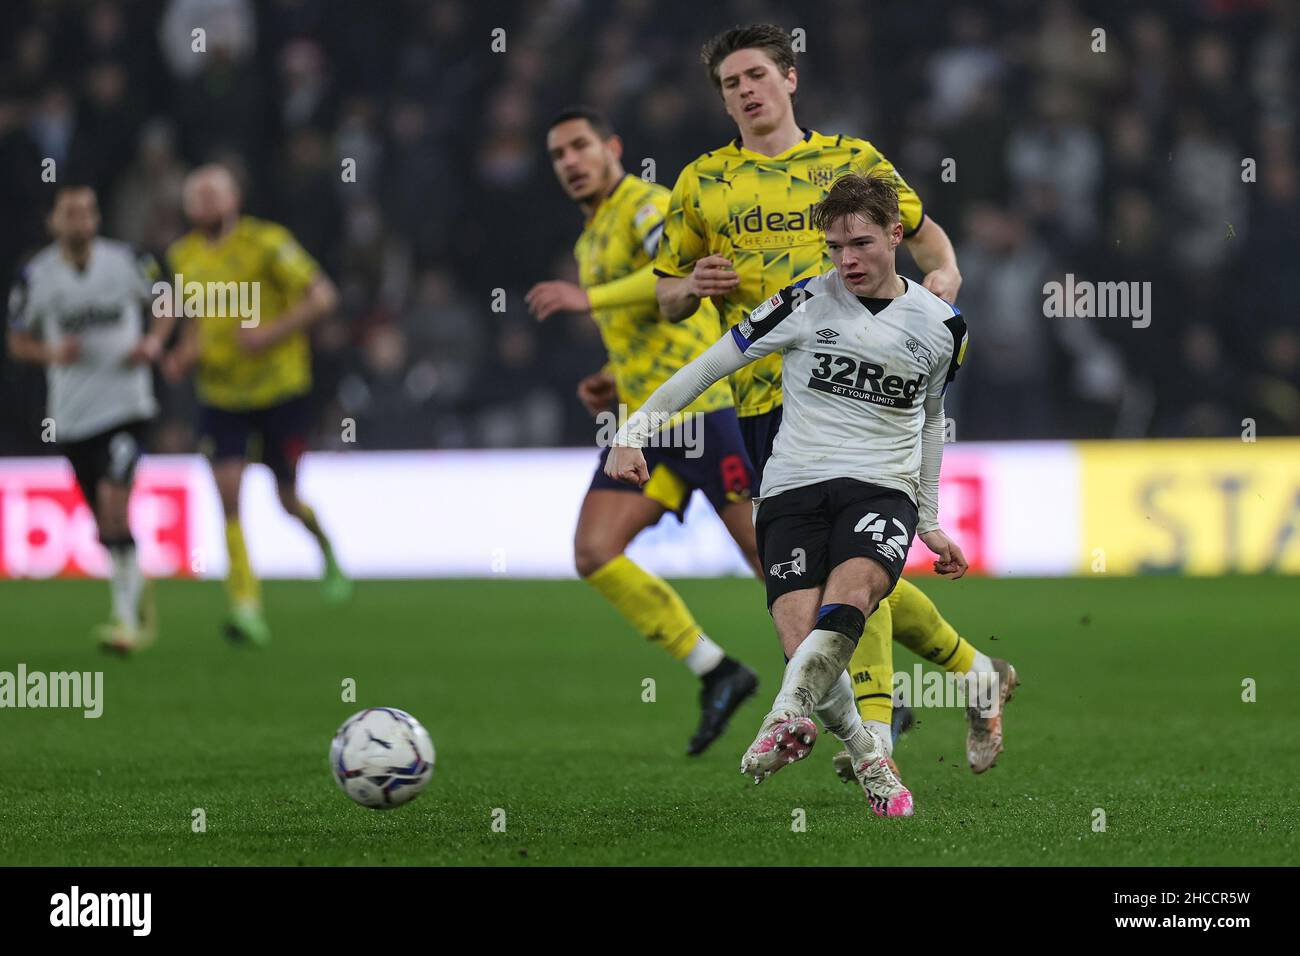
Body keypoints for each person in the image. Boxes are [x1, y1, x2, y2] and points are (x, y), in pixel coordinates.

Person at [654, 23, 1015, 775]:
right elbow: (665, 297)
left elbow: (926, 236)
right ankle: (975, 672)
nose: (745, 90)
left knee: (854, 565)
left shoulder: (850, 161)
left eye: (757, 74)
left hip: (855, 389)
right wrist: (691, 288)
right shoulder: (701, 182)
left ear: (790, 78)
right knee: (819, 584)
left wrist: (944, 279)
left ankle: (876, 734)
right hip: (760, 400)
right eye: (730, 83)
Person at [610, 174, 992, 816]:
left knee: (849, 603)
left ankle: (784, 715)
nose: (847, 260)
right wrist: (633, 433)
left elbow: (930, 422)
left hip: (881, 488)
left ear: (897, 235)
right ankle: (875, 766)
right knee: (803, 648)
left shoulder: (944, 328)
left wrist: (926, 519)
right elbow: (710, 366)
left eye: (861, 243)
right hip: (790, 489)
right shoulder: (802, 303)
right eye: (835, 245)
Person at [526, 108, 761, 755]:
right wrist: (609, 373)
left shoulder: (645, 205)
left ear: (612, 147)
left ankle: (869, 688)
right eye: (558, 154)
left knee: (774, 562)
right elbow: (646, 325)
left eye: (580, 147)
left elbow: (673, 280)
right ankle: (717, 669)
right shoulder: (588, 239)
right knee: (594, 551)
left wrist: (586, 299)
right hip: (645, 425)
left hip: (706, 410)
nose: (570, 162)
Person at [162, 164, 348, 645]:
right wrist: (184, 353)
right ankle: (246, 606)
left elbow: (323, 296)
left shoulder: (267, 243)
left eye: (212, 193)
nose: (204, 202)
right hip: (221, 394)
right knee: (228, 495)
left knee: (286, 499)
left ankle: (325, 548)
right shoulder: (182, 256)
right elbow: (195, 319)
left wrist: (270, 334)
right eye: (196, 194)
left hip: (279, 389)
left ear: (234, 199)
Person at [7, 185, 172, 652]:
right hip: (74, 415)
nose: (81, 220)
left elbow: (166, 302)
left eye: (88, 211)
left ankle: (124, 620)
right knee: (104, 520)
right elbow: (17, 342)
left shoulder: (127, 260)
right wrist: (51, 351)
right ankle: (135, 586)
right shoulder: (36, 276)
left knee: (113, 498)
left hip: (128, 407)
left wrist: (155, 342)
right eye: (70, 212)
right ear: (52, 221)